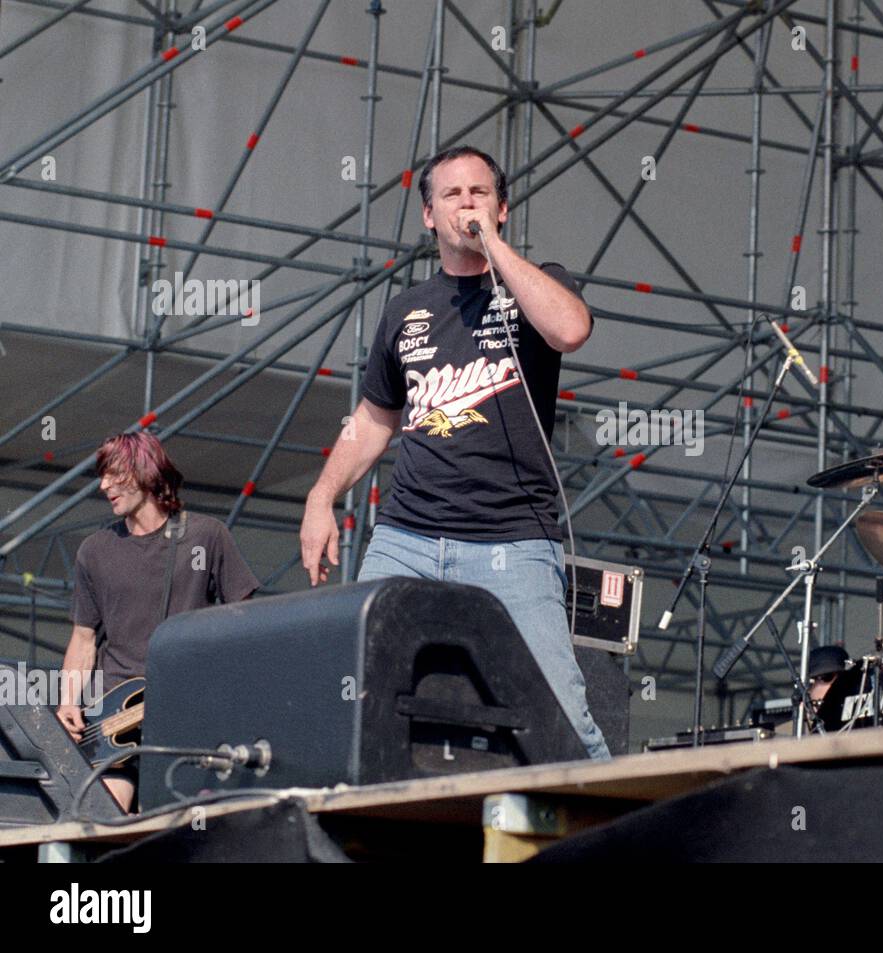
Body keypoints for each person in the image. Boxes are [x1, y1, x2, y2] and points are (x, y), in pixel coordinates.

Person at [299, 145, 610, 760]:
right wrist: (320, 495)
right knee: (353, 690)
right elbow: (373, 419)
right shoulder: (405, 311)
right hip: (406, 537)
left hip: (513, 539)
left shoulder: (537, 283)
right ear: (428, 215)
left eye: (479, 193)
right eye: (452, 195)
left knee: (559, 713)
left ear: (501, 207)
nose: (466, 203)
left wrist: (493, 248)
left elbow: (570, 330)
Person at [57, 431, 260, 811]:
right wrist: (69, 701)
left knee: (175, 820)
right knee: (102, 815)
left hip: (185, 709)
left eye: (113, 474)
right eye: (101, 476)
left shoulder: (205, 535)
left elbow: (246, 624)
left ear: (144, 472)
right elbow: (83, 639)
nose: (103, 486)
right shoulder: (95, 551)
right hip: (113, 716)